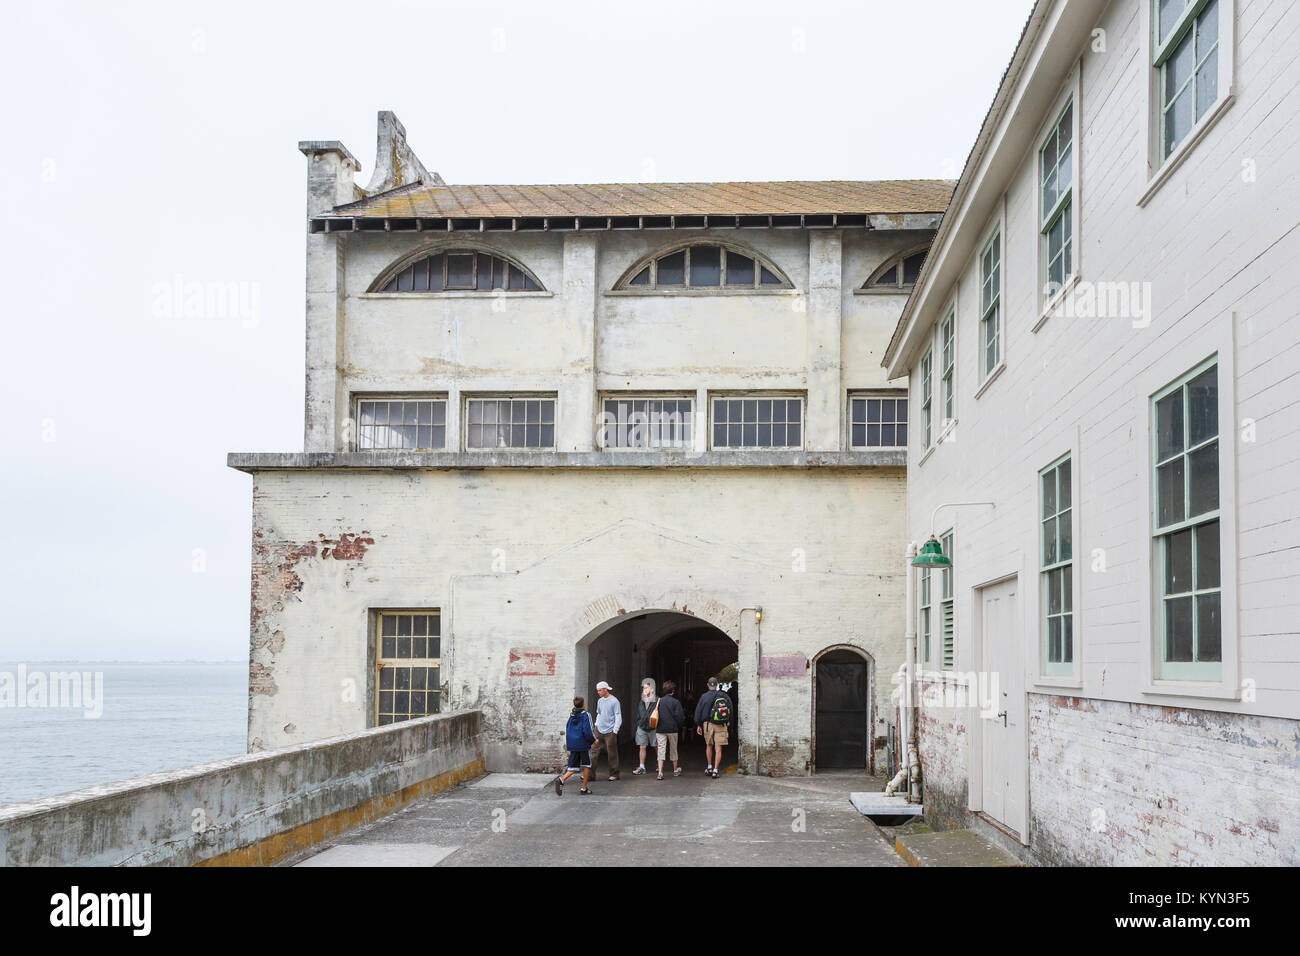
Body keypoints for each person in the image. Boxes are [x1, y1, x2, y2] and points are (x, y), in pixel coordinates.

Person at [555, 696, 596, 795]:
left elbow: (568, 729)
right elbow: (588, 730)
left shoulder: (571, 715)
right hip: (583, 745)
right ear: (583, 704)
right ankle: (584, 788)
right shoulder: (586, 715)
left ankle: (562, 779)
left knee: (573, 767)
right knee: (587, 765)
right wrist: (593, 740)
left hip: (573, 745)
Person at [694, 676, 733, 779]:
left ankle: (709, 767)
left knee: (709, 745)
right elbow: (730, 710)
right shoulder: (724, 696)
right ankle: (716, 770)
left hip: (708, 724)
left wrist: (698, 724)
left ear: (707, 685)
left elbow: (698, 711)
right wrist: (729, 723)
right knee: (718, 747)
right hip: (721, 724)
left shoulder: (704, 696)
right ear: (716, 685)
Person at [652, 680, 686, 780]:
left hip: (660, 729)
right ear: (673, 691)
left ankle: (660, 772)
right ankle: (675, 770)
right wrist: (678, 725)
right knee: (673, 749)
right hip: (672, 729)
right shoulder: (676, 702)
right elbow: (680, 717)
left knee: (661, 750)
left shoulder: (659, 701)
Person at [589, 680, 622, 781]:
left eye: (599, 690)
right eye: (597, 690)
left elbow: (618, 716)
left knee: (612, 753)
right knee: (593, 752)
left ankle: (614, 774)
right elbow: (599, 713)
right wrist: (596, 725)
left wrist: (615, 730)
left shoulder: (614, 701)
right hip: (598, 730)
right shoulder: (600, 701)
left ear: (605, 689)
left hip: (610, 731)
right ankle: (590, 775)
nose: (598, 692)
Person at [632, 678, 657, 774]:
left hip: (653, 727)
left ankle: (660, 764)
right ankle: (642, 767)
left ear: (652, 689)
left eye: (646, 688)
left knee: (656, 746)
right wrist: (639, 722)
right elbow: (639, 713)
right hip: (642, 726)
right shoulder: (641, 701)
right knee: (642, 746)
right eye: (643, 688)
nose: (644, 690)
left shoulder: (657, 700)